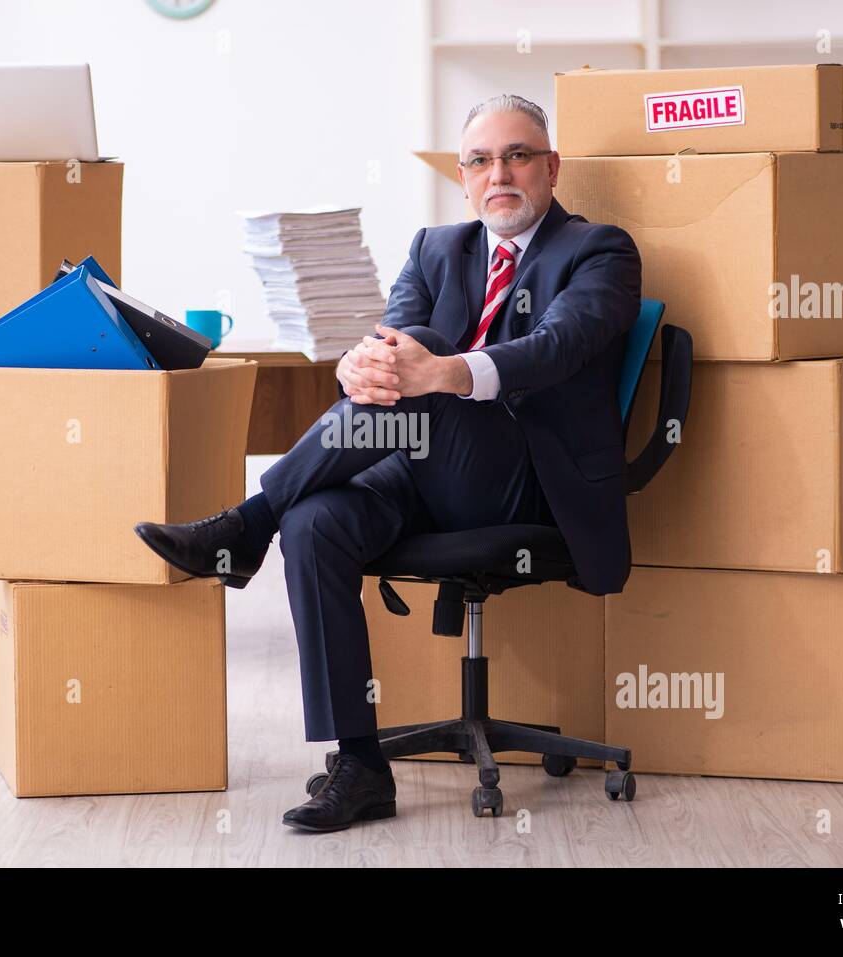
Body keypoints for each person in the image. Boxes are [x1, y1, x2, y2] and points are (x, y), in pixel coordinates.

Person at [135, 94, 641, 832]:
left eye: (518, 155)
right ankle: (362, 764)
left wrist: (442, 372)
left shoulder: (599, 250)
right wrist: (357, 368)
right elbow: (385, 350)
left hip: (526, 482)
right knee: (316, 520)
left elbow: (557, 347)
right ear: (462, 176)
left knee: (425, 357)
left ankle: (248, 523)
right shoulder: (436, 248)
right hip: (425, 470)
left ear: (551, 167)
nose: (498, 172)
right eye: (480, 160)